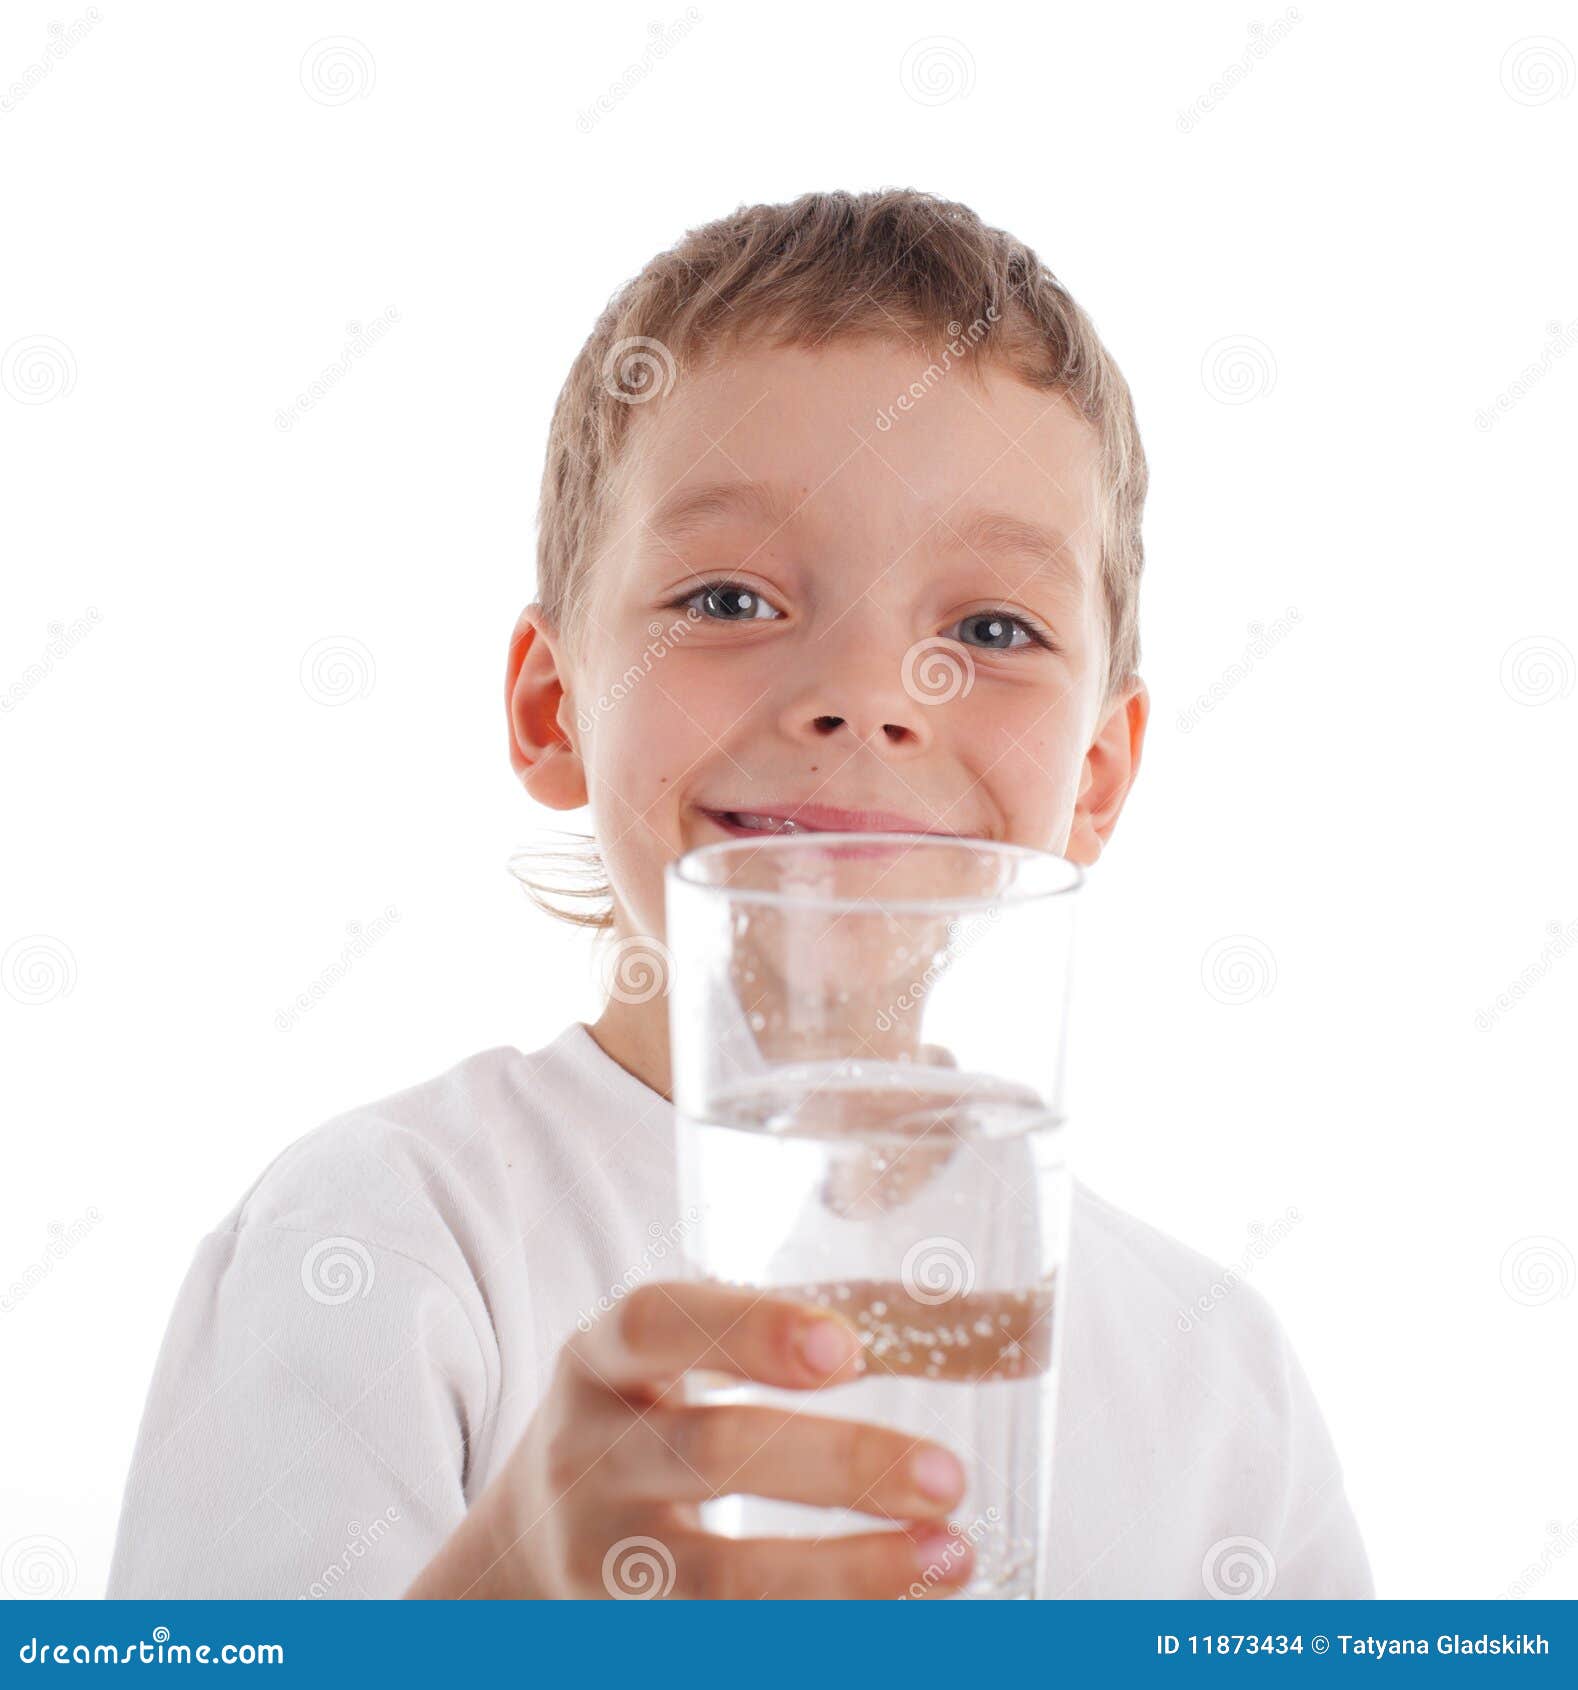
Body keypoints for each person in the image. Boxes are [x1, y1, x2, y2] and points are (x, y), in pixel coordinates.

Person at [107, 188, 1372, 1600]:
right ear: (551, 706)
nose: (864, 696)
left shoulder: (1217, 1377)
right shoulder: (382, 1237)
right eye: (726, 600)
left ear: (1094, 777)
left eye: (989, 627)